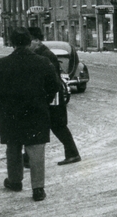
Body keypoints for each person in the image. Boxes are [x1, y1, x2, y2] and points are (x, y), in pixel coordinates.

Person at [0, 27, 63, 202]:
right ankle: (38, 188)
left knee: (13, 147)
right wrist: (44, 100)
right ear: (29, 42)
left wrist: (3, 100)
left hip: (10, 114)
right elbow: (54, 86)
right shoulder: (43, 62)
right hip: (37, 112)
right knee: (36, 149)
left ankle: (15, 181)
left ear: (12, 43)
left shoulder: (2, 64)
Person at [28, 26, 81, 166]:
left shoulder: (44, 55)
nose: (28, 46)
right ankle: (72, 153)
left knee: (58, 126)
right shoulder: (42, 53)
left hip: (53, 96)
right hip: (52, 95)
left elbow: (51, 79)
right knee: (51, 126)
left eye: (30, 42)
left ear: (37, 41)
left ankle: (73, 154)